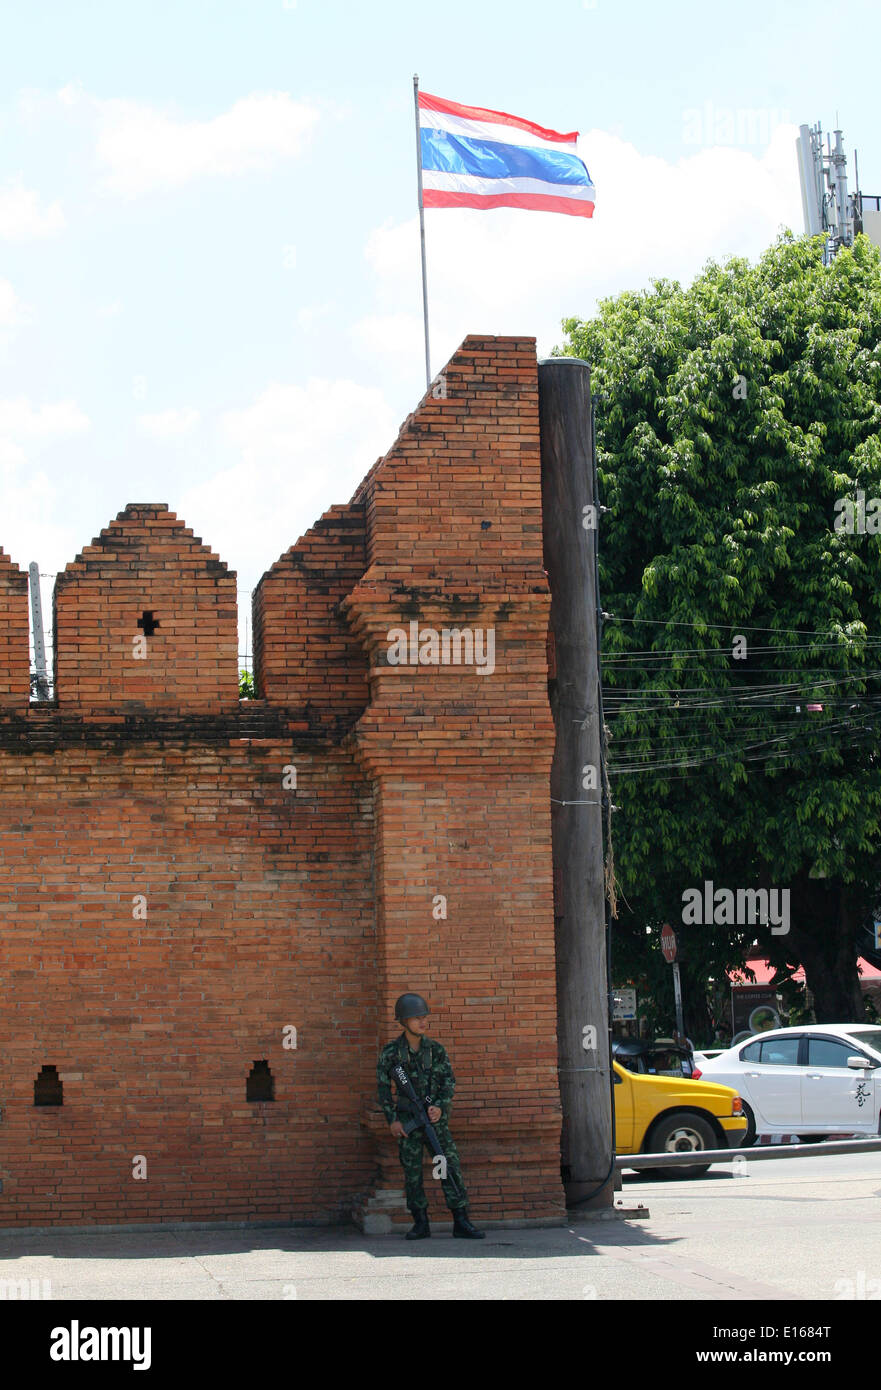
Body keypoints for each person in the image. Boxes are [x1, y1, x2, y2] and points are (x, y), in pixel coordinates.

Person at [376, 992, 484, 1241]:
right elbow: (383, 1089)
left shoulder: (435, 1050)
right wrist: (392, 1119)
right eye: (416, 1018)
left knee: (448, 1167)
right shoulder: (391, 1053)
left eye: (424, 1017)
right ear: (403, 1021)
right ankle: (420, 1223)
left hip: (435, 1122)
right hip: (409, 1124)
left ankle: (461, 1220)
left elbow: (449, 1082)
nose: (422, 1022)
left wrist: (439, 1106)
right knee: (412, 1173)